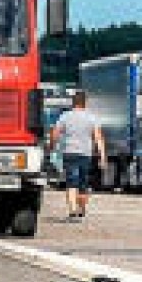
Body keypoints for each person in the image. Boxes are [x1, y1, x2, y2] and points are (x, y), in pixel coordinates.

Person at [49, 91, 106, 220]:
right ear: (85, 103)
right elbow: (98, 138)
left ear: (73, 102)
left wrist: (51, 146)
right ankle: (81, 209)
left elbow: (55, 134)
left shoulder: (65, 117)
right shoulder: (92, 118)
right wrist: (102, 156)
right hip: (86, 154)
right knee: (83, 184)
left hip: (69, 153)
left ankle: (73, 210)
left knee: (71, 182)